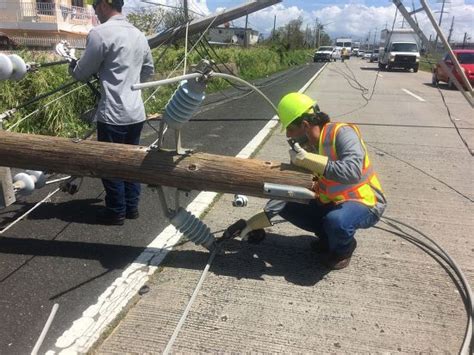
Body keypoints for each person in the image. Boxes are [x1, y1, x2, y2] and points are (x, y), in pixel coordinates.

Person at [228, 93, 387, 270]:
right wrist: (251, 224)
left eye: (290, 129)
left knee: (337, 222)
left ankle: (343, 249)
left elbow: (352, 172)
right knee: (288, 205)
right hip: (332, 202)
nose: (288, 135)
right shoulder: (307, 147)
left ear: (304, 125)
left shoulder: (342, 134)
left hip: (365, 202)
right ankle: (328, 238)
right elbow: (289, 190)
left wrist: (311, 161)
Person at [70, 0, 155, 225]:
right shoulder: (139, 34)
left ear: (106, 5)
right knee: (132, 161)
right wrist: (130, 86)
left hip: (113, 114)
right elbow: (148, 69)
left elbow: (81, 73)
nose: (95, 11)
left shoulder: (99, 33)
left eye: (96, 6)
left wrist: (73, 66)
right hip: (136, 113)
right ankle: (131, 207)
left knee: (109, 164)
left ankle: (116, 210)